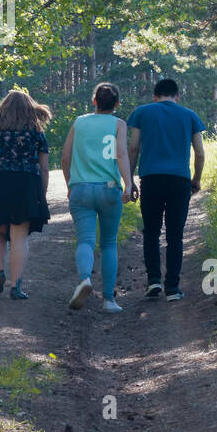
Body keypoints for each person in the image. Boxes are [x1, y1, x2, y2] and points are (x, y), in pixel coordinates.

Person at [126, 78, 206, 301]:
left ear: (155, 95)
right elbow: (200, 153)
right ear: (177, 96)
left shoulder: (142, 112)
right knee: (175, 236)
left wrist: (129, 179)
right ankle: (172, 288)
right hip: (179, 181)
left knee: (151, 232)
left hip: (151, 178)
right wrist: (196, 179)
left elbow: (133, 147)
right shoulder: (189, 115)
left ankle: (153, 281)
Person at [61, 82, 132, 313]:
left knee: (85, 241)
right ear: (117, 104)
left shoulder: (79, 123)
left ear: (94, 102)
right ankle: (109, 300)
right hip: (108, 188)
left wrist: (69, 184)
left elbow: (65, 157)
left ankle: (84, 279)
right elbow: (121, 154)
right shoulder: (119, 124)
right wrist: (129, 184)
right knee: (109, 243)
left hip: (80, 189)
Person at [0, 89, 51, 300]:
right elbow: (44, 168)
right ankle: (16, 286)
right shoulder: (36, 133)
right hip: (25, 183)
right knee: (19, 236)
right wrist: (41, 195)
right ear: (30, 110)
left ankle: (0, 271)